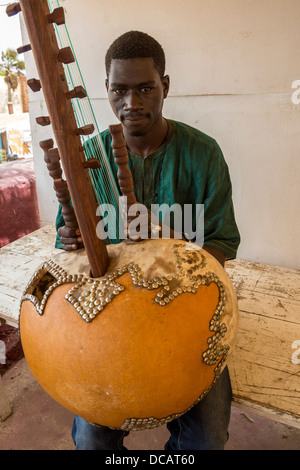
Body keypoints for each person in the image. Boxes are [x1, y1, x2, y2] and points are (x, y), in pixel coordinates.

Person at [55, 31, 240, 450]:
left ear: (165, 87)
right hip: (110, 325)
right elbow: (68, 242)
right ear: (106, 90)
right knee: (91, 438)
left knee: (207, 439)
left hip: (190, 317)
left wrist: (168, 244)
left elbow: (222, 243)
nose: (132, 103)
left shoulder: (203, 153)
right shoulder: (87, 157)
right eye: (119, 90)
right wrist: (70, 239)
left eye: (145, 89)